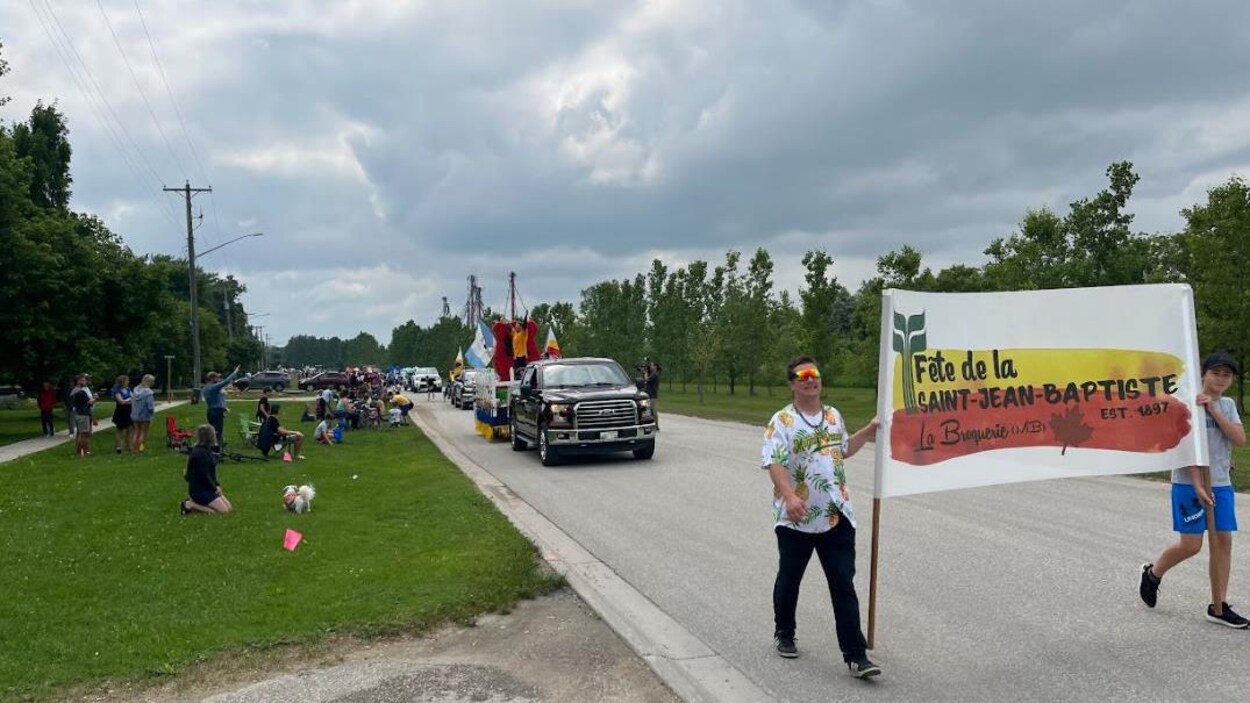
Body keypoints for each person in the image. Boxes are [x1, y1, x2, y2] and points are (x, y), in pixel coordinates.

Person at [761, 355, 882, 679]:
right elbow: (774, 462)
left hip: (836, 515)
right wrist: (788, 496)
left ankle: (856, 656)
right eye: (802, 376)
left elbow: (842, 450)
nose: (810, 380)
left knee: (843, 583)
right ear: (792, 383)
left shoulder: (833, 416)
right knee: (790, 579)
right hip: (796, 519)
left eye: (815, 374)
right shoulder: (782, 421)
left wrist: (869, 431)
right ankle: (784, 632)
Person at [1139, 351, 1248, 627]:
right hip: (1188, 484)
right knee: (1191, 545)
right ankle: (1153, 573)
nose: (1221, 378)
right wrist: (1198, 484)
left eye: (1227, 374)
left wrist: (1213, 409)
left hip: (1221, 482)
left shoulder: (1228, 405)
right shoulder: (1185, 402)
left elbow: (1238, 439)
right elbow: (1183, 446)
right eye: (1216, 373)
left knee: (1223, 543)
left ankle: (1219, 606)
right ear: (1204, 373)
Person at [180, 425, 232, 515]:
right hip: (200, 490)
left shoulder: (206, 450)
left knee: (229, 508)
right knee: (223, 512)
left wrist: (217, 485)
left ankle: (196, 506)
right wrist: (214, 488)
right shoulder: (200, 454)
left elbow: (211, 473)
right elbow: (204, 475)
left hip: (207, 487)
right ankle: (190, 504)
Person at [203, 366, 241, 449]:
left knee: (212, 430)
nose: (218, 379)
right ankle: (216, 449)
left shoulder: (206, 387)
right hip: (217, 411)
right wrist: (235, 372)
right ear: (212, 378)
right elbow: (226, 381)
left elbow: (217, 395)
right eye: (217, 377)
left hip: (210, 411)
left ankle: (213, 446)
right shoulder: (214, 387)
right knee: (218, 431)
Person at [70, 374, 96, 458]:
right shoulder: (80, 392)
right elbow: (89, 402)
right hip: (83, 414)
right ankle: (82, 451)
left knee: (80, 433)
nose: (86, 382)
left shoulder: (74, 391)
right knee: (83, 433)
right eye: (84, 380)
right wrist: (95, 398)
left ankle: (80, 450)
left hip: (78, 413)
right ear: (79, 381)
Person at [130, 374, 157, 453]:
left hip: (135, 414)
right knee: (143, 432)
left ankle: (134, 449)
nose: (153, 383)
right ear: (149, 382)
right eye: (152, 381)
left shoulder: (136, 390)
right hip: (145, 415)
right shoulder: (149, 393)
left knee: (136, 431)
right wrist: (152, 414)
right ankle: (140, 449)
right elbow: (150, 406)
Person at [111, 375, 134, 454]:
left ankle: (130, 446)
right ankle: (118, 447)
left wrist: (129, 400)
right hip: (121, 411)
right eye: (127, 380)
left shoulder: (128, 389)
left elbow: (133, 399)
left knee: (130, 429)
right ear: (122, 382)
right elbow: (121, 401)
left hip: (129, 410)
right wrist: (130, 399)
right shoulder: (117, 390)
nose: (128, 382)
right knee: (119, 429)